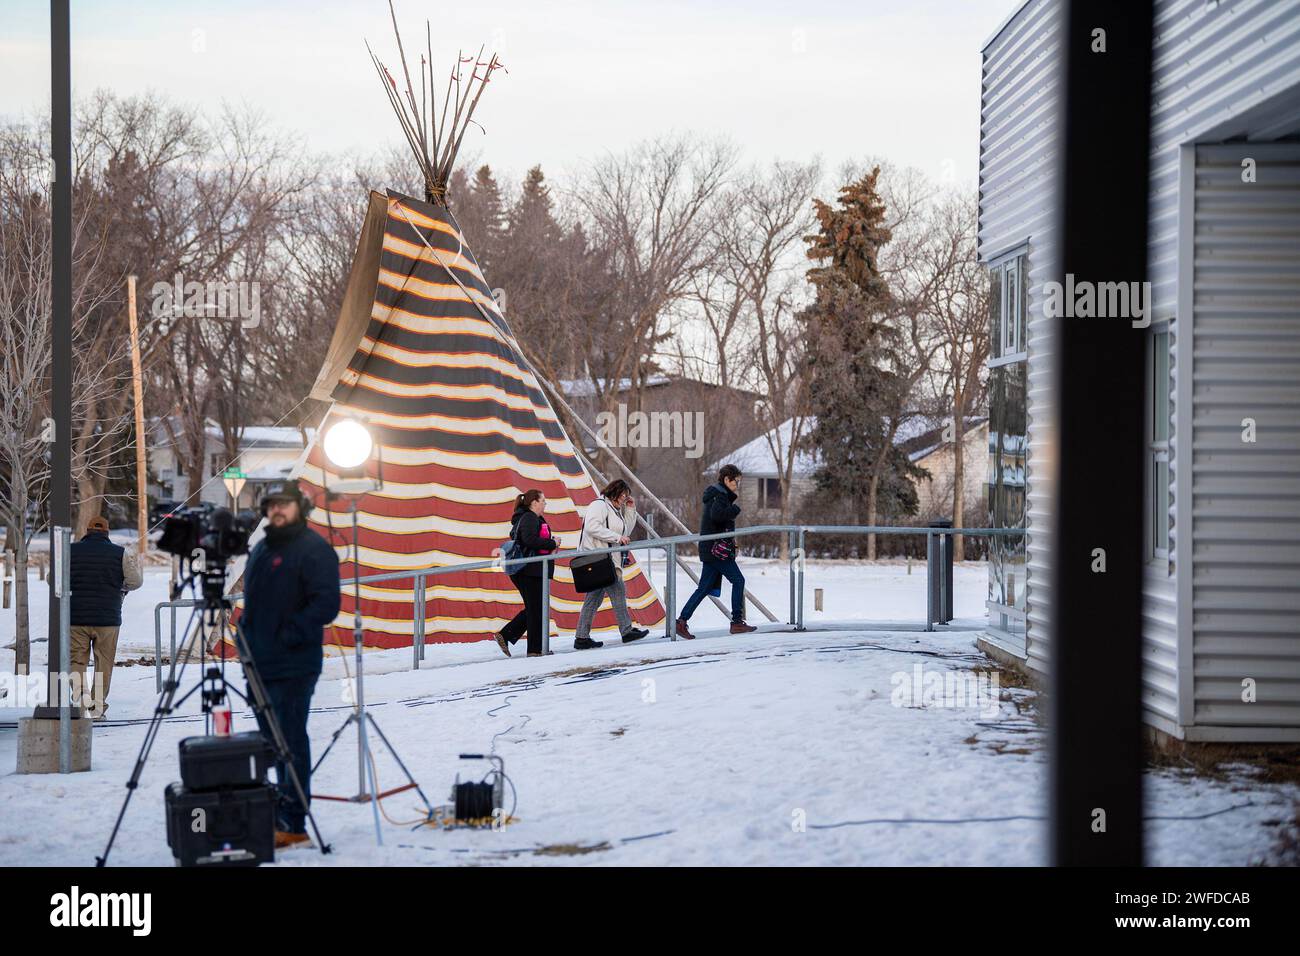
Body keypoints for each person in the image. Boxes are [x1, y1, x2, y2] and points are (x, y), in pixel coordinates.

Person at [241, 478, 341, 849]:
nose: (276, 510)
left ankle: (293, 820)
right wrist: (246, 637)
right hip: (258, 662)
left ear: (299, 507)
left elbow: (326, 604)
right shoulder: (263, 547)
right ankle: (276, 806)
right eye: (271, 505)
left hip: (294, 663)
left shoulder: (313, 549)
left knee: (290, 740)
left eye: (284, 504)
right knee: (270, 742)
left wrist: (289, 633)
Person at [69, 515, 143, 719]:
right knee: (103, 664)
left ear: (87, 530)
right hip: (108, 619)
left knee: (77, 661)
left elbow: (53, 579)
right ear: (107, 532)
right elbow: (135, 582)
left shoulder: (69, 551)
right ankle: (97, 708)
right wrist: (119, 587)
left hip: (76, 617)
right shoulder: (120, 553)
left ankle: (81, 703)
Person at [675, 464, 757, 639]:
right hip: (716, 550)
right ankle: (736, 622)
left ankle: (681, 621)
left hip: (711, 549)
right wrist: (735, 510)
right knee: (738, 580)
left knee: (704, 588)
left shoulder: (718, 494)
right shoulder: (720, 496)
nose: (737, 485)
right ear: (727, 479)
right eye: (736, 481)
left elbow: (717, 521)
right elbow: (717, 516)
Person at [571, 480, 651, 650]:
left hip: (605, 561)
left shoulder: (615, 511)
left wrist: (630, 510)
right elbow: (592, 527)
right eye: (622, 495)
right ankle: (625, 631)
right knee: (612, 593)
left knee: (595, 598)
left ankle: (582, 637)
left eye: (626, 496)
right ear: (614, 492)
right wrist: (616, 538)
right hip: (597, 559)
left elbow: (624, 532)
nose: (624, 498)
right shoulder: (599, 505)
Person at [493, 490, 559, 658]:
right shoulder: (529, 518)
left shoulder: (529, 518)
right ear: (534, 502)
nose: (545, 503)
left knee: (536, 608)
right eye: (543, 500)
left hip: (532, 569)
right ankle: (534, 649)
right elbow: (529, 540)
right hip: (529, 570)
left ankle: (514, 639)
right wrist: (552, 542)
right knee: (536, 609)